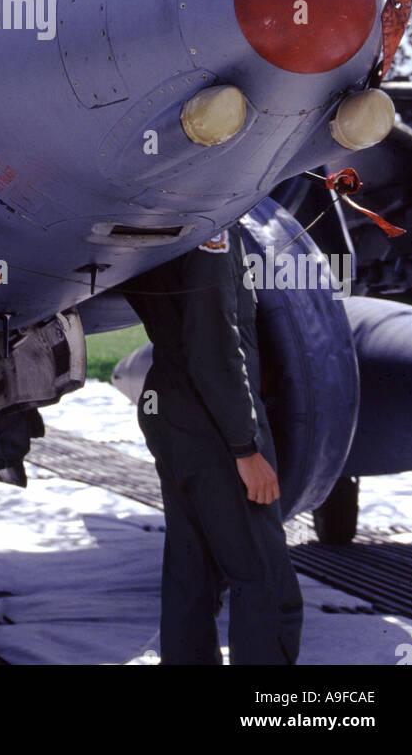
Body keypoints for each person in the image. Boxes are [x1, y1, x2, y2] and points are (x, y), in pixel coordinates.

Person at [120, 225, 303, 665]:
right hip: (215, 422)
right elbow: (215, 344)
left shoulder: (149, 216)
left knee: (192, 574)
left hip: (170, 407)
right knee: (265, 581)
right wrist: (245, 448)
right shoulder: (210, 225)